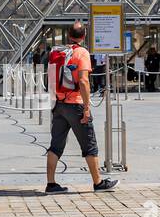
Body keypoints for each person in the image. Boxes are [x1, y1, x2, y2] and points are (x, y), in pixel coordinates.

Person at [44, 22, 118, 195]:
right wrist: (86, 107)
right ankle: (98, 182)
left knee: (56, 145)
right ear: (84, 36)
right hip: (75, 104)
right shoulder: (81, 52)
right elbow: (83, 81)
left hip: (58, 104)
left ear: (69, 35)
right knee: (89, 144)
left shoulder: (56, 51)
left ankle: (51, 184)